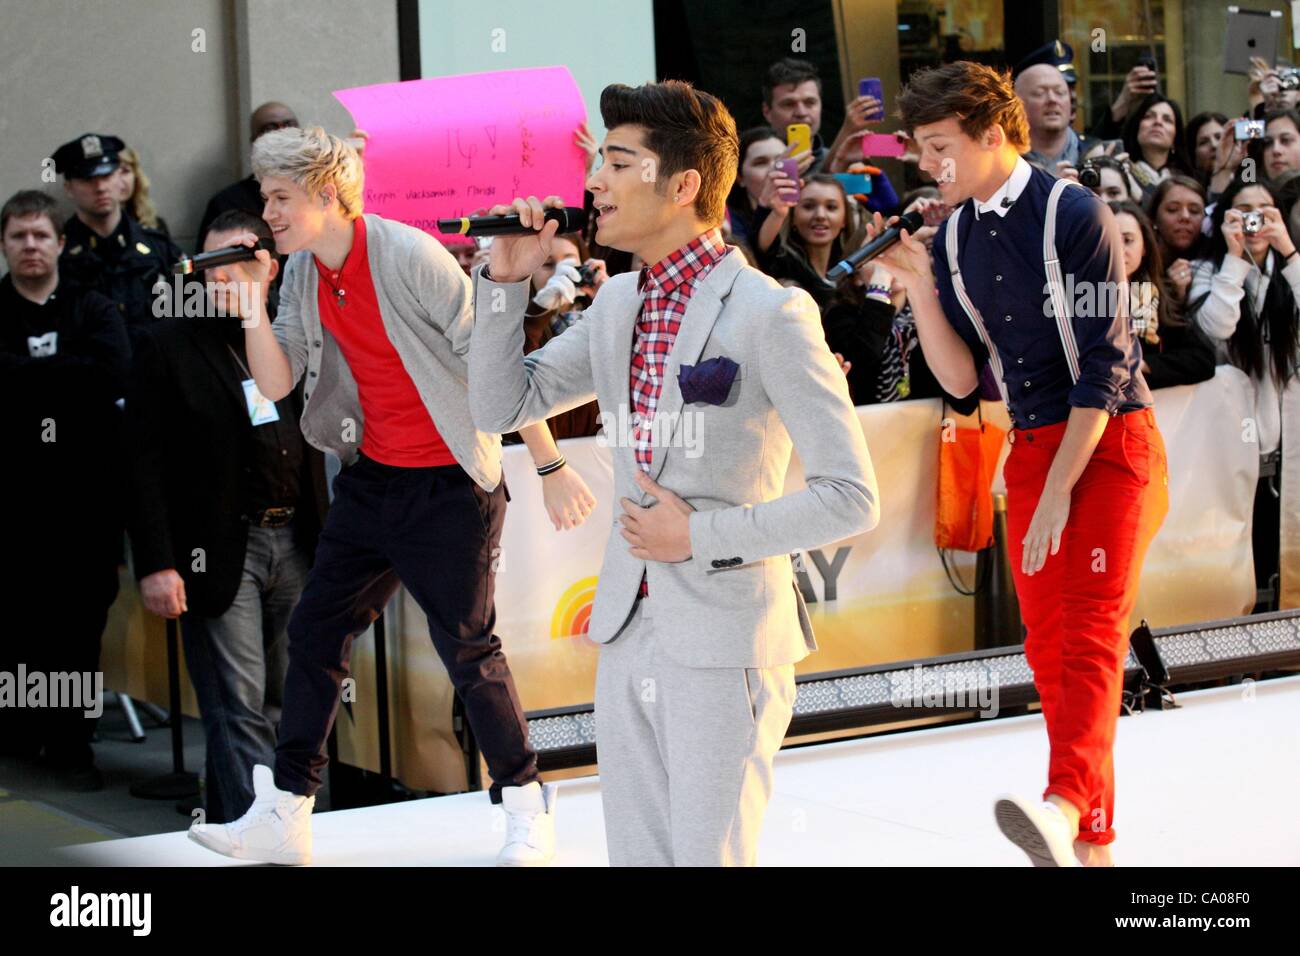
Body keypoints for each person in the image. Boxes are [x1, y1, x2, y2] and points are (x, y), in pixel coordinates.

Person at [469, 80, 879, 866]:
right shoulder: (618, 300)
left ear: (684, 185)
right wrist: (503, 283)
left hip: (728, 636)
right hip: (626, 627)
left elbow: (851, 496)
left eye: (619, 163)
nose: (595, 181)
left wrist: (697, 535)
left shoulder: (772, 313)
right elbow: (500, 405)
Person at [186, 126, 596, 867]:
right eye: (265, 197)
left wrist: (548, 464)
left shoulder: (408, 256)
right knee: (315, 634)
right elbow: (276, 384)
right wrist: (251, 303)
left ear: (326, 196)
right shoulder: (306, 274)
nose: (268, 214)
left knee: (468, 649)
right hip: (372, 478)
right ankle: (285, 810)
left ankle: (527, 804)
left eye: (280, 198)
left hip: (448, 481)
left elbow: (496, 365)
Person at [882, 61, 1168, 867]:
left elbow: (1107, 367)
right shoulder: (960, 234)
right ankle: (1091, 844)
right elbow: (965, 380)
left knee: (1093, 637)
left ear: (992, 135)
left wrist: (1056, 494)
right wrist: (921, 288)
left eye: (940, 147)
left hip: (1109, 442)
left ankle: (1064, 803)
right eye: (921, 149)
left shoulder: (1075, 213)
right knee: (1049, 649)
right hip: (1034, 445)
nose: (929, 165)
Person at [126, 210, 330, 824]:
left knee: (286, 700)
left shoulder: (295, 329)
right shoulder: (168, 341)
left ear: (268, 266)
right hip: (215, 550)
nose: (223, 278)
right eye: (211, 265)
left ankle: (242, 825)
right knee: (236, 703)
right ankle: (263, 833)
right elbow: (140, 462)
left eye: (238, 263)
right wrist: (159, 563)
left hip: (297, 538)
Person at [0, 190, 130, 789]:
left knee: (79, 630)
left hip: (85, 505)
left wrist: (27, 377)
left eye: (40, 235)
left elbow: (109, 376)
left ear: (59, 242)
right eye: (18, 236)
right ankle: (25, 732)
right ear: (4, 245)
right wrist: (63, 376)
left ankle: (74, 744)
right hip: (12, 507)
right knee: (19, 623)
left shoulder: (94, 308)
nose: (30, 246)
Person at [1186, 176, 1300, 611]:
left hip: (1283, 451)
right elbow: (1216, 329)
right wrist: (1235, 260)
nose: (1254, 221)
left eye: (1264, 210)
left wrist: (1287, 250)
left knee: (1280, 563)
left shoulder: (1290, 269)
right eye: (1243, 211)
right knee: (1234, 567)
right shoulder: (1206, 271)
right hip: (1225, 452)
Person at [53, 132, 182, 350]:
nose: (100, 187)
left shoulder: (157, 246)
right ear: (69, 188)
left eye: (106, 175)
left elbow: (188, 310)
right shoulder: (58, 253)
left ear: (120, 179)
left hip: (155, 370)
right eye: (88, 179)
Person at [1107, 200, 1215, 389]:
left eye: (1128, 240)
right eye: (1109, 239)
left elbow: (1202, 360)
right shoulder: (1075, 298)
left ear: (1144, 248)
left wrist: (1142, 364)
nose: (1119, 249)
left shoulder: (1155, 296)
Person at [196, 102, 300, 248]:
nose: (282, 134)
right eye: (270, 128)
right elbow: (186, 268)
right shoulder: (228, 202)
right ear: (254, 142)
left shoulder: (318, 191)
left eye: (289, 125)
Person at [755, 172, 857, 308]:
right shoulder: (780, 265)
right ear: (793, 217)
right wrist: (776, 213)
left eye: (831, 207)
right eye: (808, 206)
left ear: (844, 219)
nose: (820, 215)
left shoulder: (854, 272)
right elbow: (759, 248)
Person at [1015, 60, 1099, 172]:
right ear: (1018, 104)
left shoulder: (1097, 155)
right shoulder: (1003, 161)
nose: (1052, 100)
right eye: (1039, 93)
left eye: (1059, 92)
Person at [1147, 175, 1209, 309]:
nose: (1185, 217)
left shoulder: (1213, 263)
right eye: (1172, 209)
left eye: (1194, 211)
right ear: (1154, 218)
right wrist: (1172, 295)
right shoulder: (1141, 263)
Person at [1120, 94, 1195, 197]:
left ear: (1175, 140)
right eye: (1148, 117)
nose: (1158, 122)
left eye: (1167, 120)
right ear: (1136, 129)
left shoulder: (1188, 182)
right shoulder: (1122, 172)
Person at [115, 145, 169, 234]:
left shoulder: (155, 225)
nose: (119, 180)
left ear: (136, 177)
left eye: (125, 171)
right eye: (110, 174)